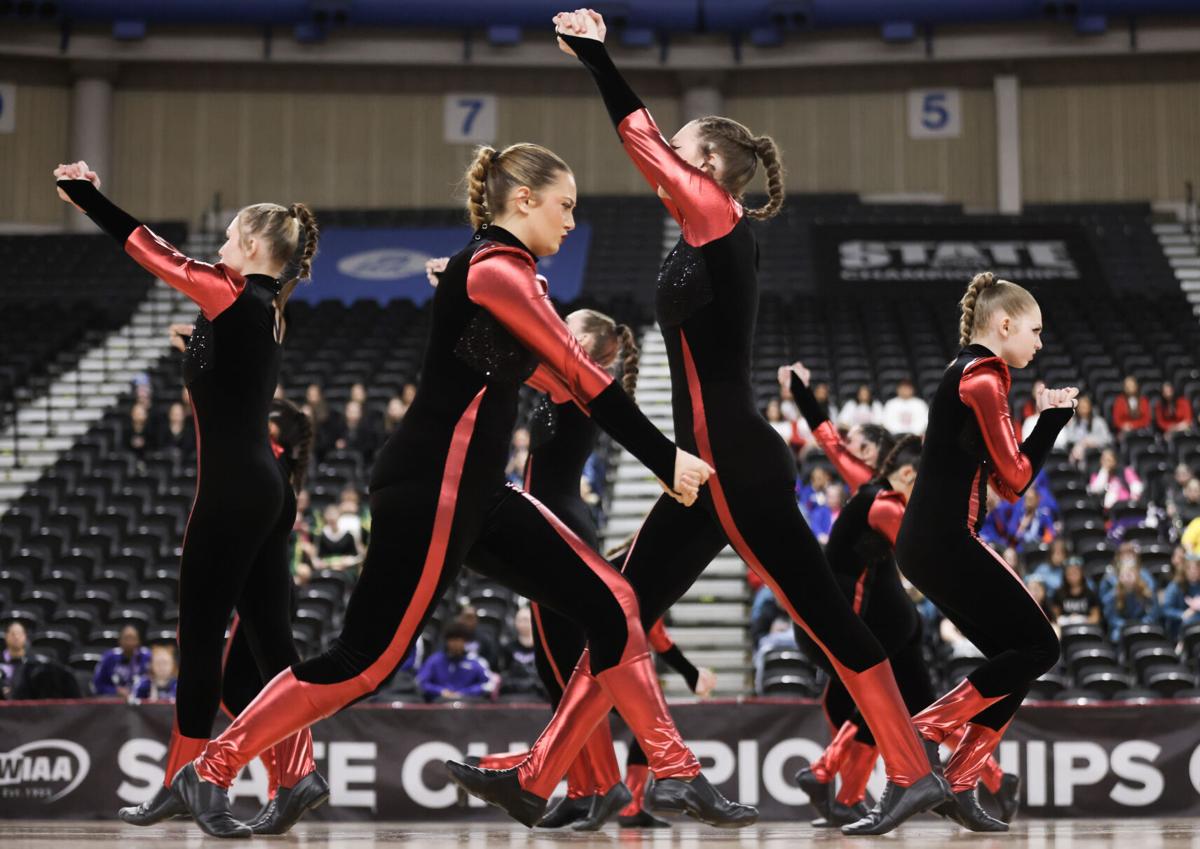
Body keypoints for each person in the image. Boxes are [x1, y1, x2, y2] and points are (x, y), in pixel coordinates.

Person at [174, 140, 749, 836]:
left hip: (474, 491)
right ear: (524, 200)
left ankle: (673, 770)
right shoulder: (500, 269)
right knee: (363, 663)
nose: (572, 220)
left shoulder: (495, 270)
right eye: (565, 205)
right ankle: (210, 766)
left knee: (615, 604)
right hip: (433, 487)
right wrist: (666, 457)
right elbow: (579, 374)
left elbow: (541, 368)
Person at [465, 11, 947, 837]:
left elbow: (639, 138)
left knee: (830, 620)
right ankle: (541, 770)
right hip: (710, 467)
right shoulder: (700, 233)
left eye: (683, 147)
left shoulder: (718, 216)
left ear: (710, 166)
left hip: (737, 465)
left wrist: (596, 58)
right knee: (616, 614)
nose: (668, 157)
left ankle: (911, 769)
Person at [55, 161, 325, 838]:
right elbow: (229, 375)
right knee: (269, 642)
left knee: (201, 641)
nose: (221, 248)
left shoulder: (228, 296)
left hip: (231, 492)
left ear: (258, 249)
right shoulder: (267, 312)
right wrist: (195, 346)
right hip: (268, 491)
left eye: (232, 238)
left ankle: (193, 783)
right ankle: (298, 771)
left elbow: (149, 247)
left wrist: (87, 194)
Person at [894, 271, 1075, 832]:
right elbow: (1018, 481)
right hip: (945, 541)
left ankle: (963, 782)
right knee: (1043, 645)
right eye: (1035, 331)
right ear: (1004, 325)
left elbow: (995, 481)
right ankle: (923, 730)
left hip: (930, 543)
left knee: (1015, 660)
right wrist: (1051, 423)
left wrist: (1034, 425)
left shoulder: (967, 374)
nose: (1041, 343)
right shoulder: (983, 378)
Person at [417, 622, 493, 703]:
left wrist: (464, 693)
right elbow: (421, 682)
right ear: (447, 641)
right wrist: (440, 691)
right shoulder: (434, 660)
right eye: (453, 640)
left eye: (460, 640)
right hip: (439, 703)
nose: (456, 644)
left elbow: (487, 685)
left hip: (468, 704)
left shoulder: (476, 661)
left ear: (465, 642)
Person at [1103, 561, 1161, 643]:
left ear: (1136, 576)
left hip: (1143, 625)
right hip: (1122, 627)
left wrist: (1141, 624)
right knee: (1115, 636)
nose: (1126, 579)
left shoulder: (1147, 593)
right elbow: (1111, 617)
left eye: (1129, 575)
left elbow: (1153, 614)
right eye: (1123, 576)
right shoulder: (1114, 595)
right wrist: (1124, 624)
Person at [497, 606, 545, 699]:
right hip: (513, 695)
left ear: (533, 621)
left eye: (526, 619)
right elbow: (504, 673)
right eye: (520, 620)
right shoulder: (508, 647)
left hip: (537, 695)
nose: (523, 623)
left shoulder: (542, 648)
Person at [92, 624, 151, 697]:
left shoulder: (147, 656)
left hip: (141, 701)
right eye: (126, 638)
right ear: (120, 640)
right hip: (114, 701)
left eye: (133, 638)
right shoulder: (109, 657)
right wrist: (115, 691)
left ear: (138, 641)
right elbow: (97, 685)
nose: (129, 642)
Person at [1062, 394, 1112, 468]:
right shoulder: (1073, 422)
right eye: (1081, 406)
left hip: (1096, 451)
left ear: (1090, 407)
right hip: (1077, 452)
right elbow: (1069, 437)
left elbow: (1107, 438)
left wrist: (1091, 441)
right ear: (1077, 408)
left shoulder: (1099, 421)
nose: (1083, 408)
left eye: (1085, 406)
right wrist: (1082, 442)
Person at [1049, 559, 1102, 626]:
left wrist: (1081, 620)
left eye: (1075, 573)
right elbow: (1055, 617)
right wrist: (1068, 620)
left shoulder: (1090, 594)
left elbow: (1096, 618)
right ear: (1065, 575)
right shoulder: (1058, 593)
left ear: (1082, 573)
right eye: (1069, 573)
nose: (1073, 576)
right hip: (1065, 628)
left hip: (1085, 628)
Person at [1161, 552, 1200, 641]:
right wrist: (1182, 614)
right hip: (1179, 628)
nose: (1193, 571)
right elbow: (1165, 609)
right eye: (1189, 568)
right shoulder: (1175, 586)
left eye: (1196, 568)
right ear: (1184, 570)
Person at [0, 621, 31, 701]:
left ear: (25, 636)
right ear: (6, 636)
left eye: (19, 634)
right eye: (13, 634)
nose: (16, 637)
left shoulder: (31, 661)